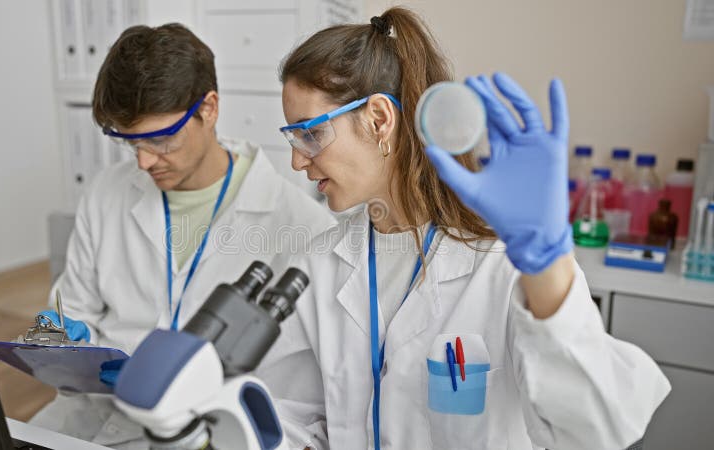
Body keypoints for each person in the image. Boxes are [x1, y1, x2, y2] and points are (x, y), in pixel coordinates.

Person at [256, 7, 670, 450]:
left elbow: (596, 432)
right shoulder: (318, 266)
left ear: (379, 119)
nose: (297, 160)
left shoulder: (504, 268)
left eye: (310, 134)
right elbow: (294, 419)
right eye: (292, 138)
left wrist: (547, 262)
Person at [29, 23, 335, 449]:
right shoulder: (105, 193)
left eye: (160, 139)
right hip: (93, 419)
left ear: (208, 109)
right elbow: (73, 309)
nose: (143, 162)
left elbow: (299, 405)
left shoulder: (303, 228)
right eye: (127, 141)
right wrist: (62, 343)